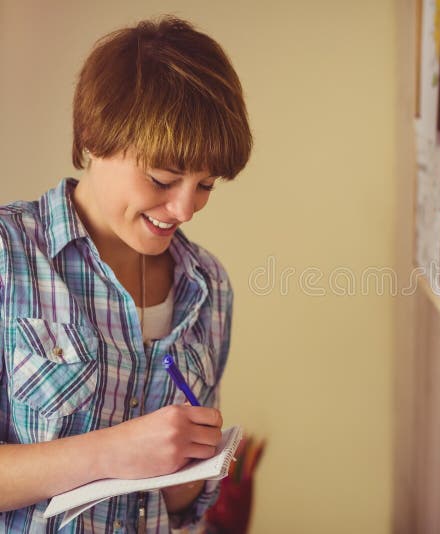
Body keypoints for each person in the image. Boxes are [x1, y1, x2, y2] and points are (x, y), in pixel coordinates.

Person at [0, 15, 252, 532]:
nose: (184, 208)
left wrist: (190, 468)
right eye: (163, 178)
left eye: (206, 185)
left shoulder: (209, 288)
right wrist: (111, 452)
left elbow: (181, 509)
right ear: (93, 139)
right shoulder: (9, 256)